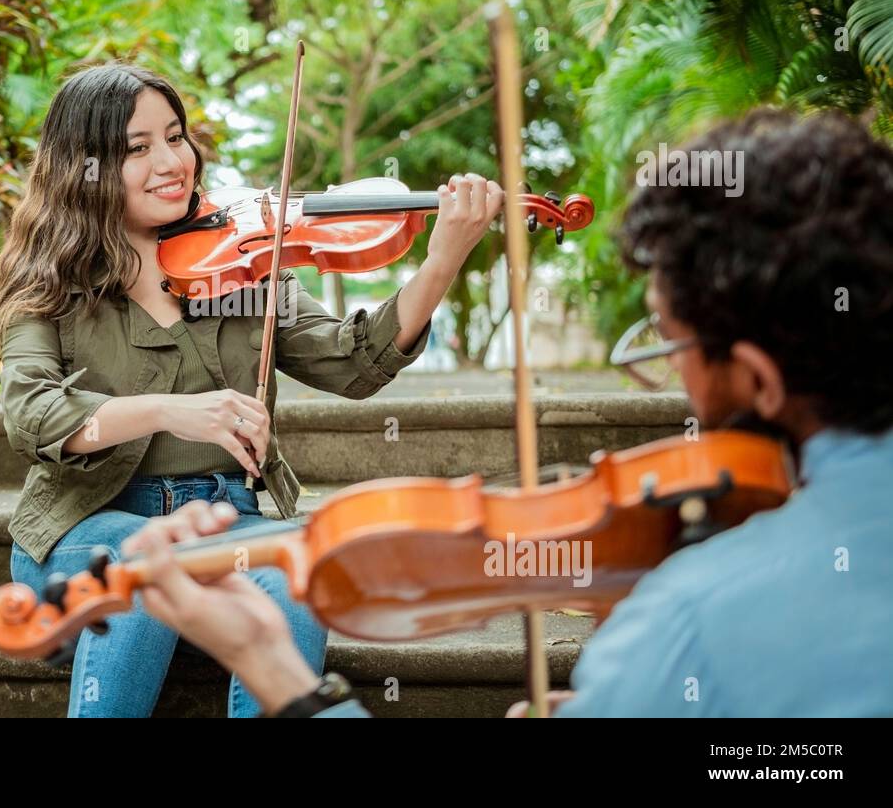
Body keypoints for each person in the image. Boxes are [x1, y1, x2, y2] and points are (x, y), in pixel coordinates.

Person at [118, 108, 893, 717]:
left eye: (670, 348)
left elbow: (355, 360)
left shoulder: (689, 623)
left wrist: (281, 680)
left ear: (757, 378)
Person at [0, 61, 507, 717]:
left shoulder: (243, 249)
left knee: (298, 578)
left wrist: (443, 259)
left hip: (231, 523)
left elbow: (352, 362)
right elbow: (32, 414)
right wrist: (171, 411)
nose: (172, 161)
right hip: (86, 524)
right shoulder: (47, 282)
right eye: (138, 149)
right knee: (142, 567)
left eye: (176, 136)